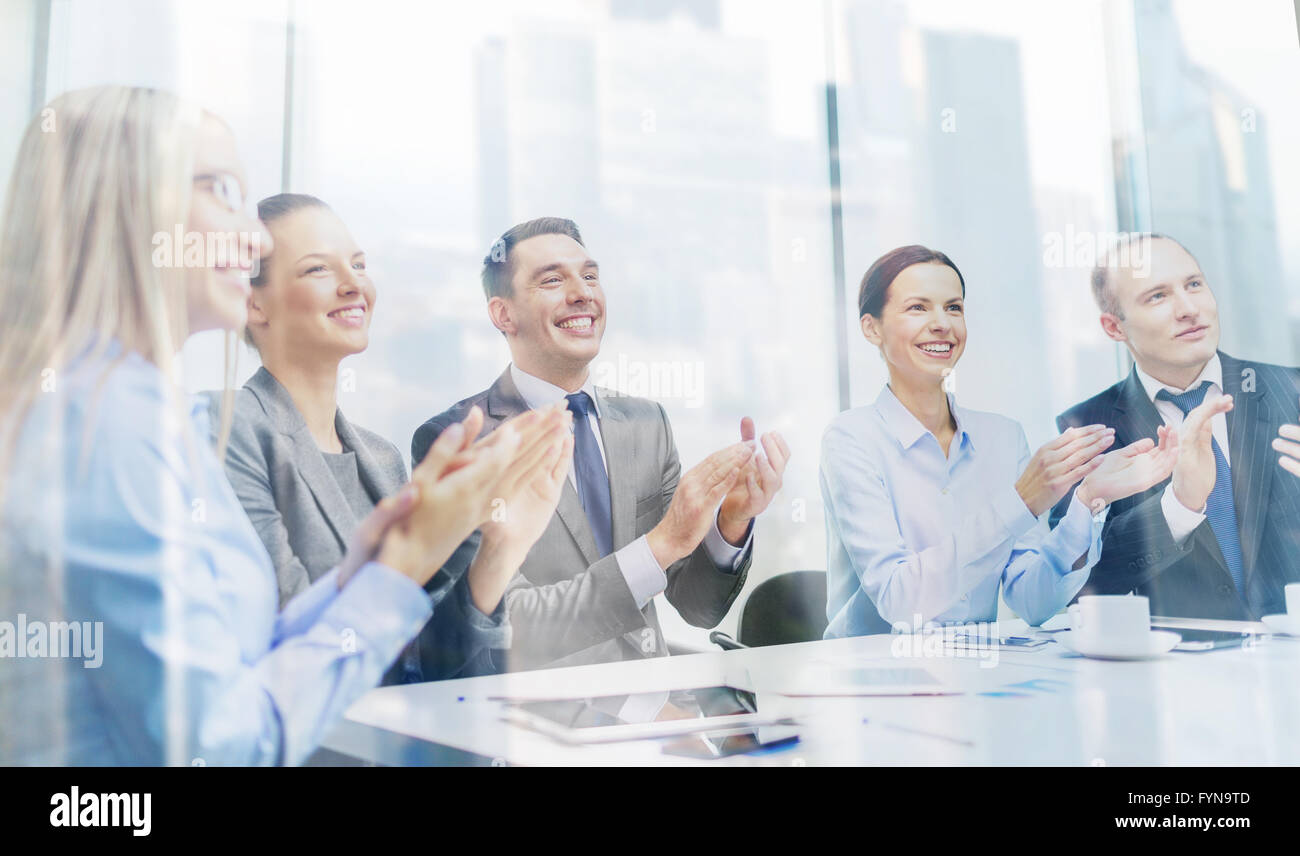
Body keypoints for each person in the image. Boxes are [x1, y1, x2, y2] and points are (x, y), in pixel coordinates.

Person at [0, 86, 570, 765]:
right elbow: (224, 743)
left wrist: (374, 566)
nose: (252, 236)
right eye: (217, 189)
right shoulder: (107, 429)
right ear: (123, 207)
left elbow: (239, 659)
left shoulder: (139, 412)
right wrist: (404, 564)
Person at [411, 217, 790, 671]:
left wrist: (730, 523)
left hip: (657, 714)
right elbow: (510, 624)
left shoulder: (646, 424)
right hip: (538, 723)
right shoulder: (459, 441)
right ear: (502, 314)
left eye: (590, 276)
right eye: (553, 280)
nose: (582, 293)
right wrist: (662, 543)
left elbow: (697, 608)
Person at [220, 192, 534, 679]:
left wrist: (492, 543)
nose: (354, 285)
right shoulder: (231, 430)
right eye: (318, 270)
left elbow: (430, 666)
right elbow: (290, 642)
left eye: (359, 264)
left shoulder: (382, 458)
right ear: (254, 304)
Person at [821, 245, 1177, 637]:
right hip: (870, 678)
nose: (942, 323)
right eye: (918, 308)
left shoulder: (1003, 438)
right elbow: (900, 602)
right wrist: (1020, 501)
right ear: (871, 328)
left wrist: (1086, 502)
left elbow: (1033, 601)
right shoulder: (851, 439)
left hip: (973, 674)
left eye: (953, 307)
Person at [1052, 233, 1300, 619]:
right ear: (1114, 327)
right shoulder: (1087, 429)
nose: (1188, 309)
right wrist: (1177, 509)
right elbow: (1070, 586)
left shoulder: (1292, 393)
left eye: (1194, 285)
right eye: (1157, 296)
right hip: (1178, 670)